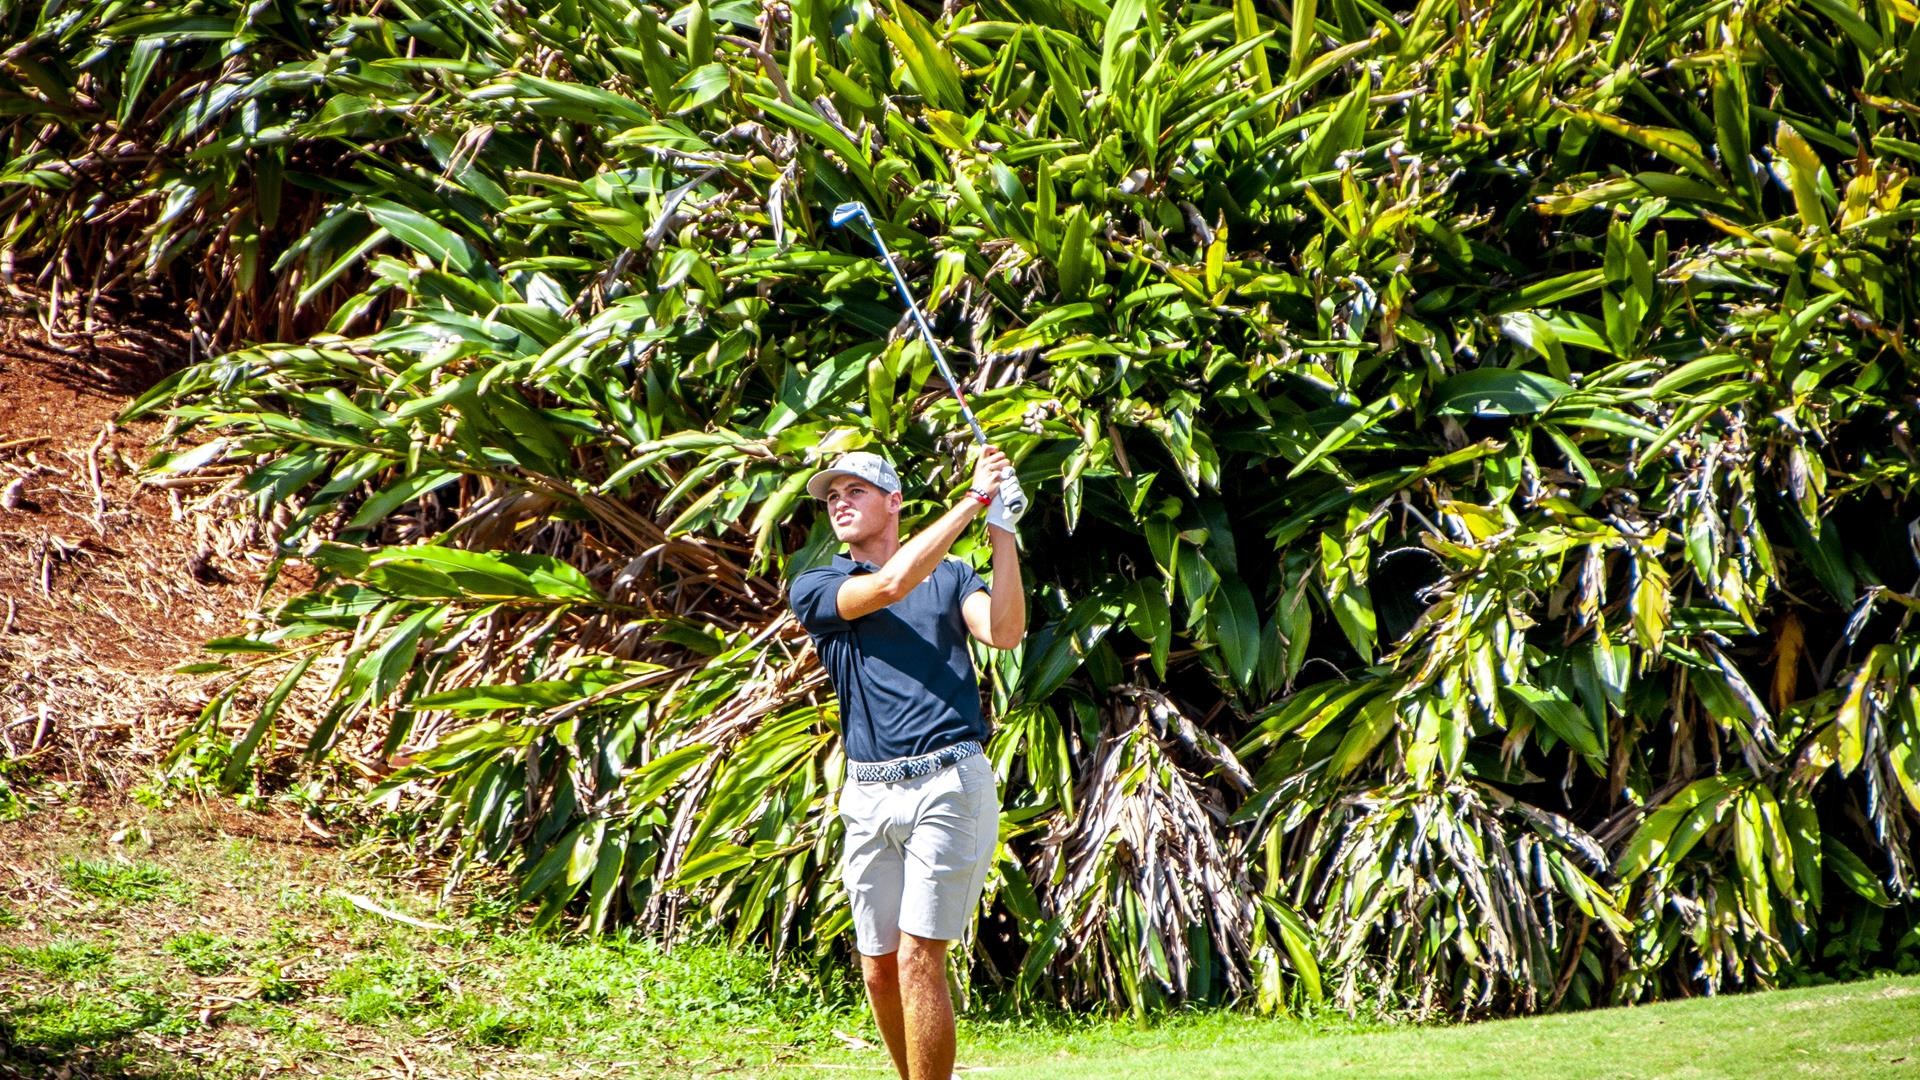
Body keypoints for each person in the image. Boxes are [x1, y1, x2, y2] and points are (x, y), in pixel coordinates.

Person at [787, 446, 1026, 1080]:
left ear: (893, 502)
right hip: (867, 794)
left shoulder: (952, 576)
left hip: (949, 782)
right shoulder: (818, 585)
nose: (839, 501)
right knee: (880, 965)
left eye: (856, 491)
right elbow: (892, 585)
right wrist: (973, 501)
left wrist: (1002, 535)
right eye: (832, 494)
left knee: (921, 957)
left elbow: (1002, 633)